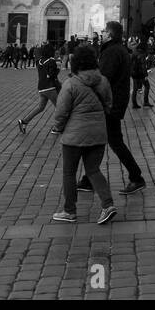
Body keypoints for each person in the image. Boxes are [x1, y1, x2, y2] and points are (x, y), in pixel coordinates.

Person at [49, 44, 118, 225]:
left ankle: (69, 211)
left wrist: (58, 127)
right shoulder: (102, 81)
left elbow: (61, 111)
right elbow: (109, 104)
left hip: (74, 135)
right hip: (98, 133)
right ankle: (108, 204)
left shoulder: (71, 83)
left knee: (69, 173)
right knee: (93, 170)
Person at [95, 21, 146, 196]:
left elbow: (103, 78)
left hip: (110, 103)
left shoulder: (111, 51)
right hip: (115, 101)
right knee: (101, 139)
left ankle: (136, 177)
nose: (101, 34)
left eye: (104, 31)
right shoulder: (119, 50)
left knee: (114, 141)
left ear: (109, 35)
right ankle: (88, 178)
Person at [16, 45, 61, 133]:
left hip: (41, 88)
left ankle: (24, 121)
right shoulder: (51, 61)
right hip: (50, 88)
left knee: (40, 107)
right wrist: (58, 69)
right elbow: (52, 75)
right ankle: (57, 127)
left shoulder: (39, 61)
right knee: (60, 107)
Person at [128, 36, 152, 109]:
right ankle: (146, 102)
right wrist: (145, 75)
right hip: (140, 73)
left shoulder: (134, 52)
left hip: (134, 73)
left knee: (135, 88)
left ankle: (134, 103)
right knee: (147, 86)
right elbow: (143, 65)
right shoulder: (142, 54)